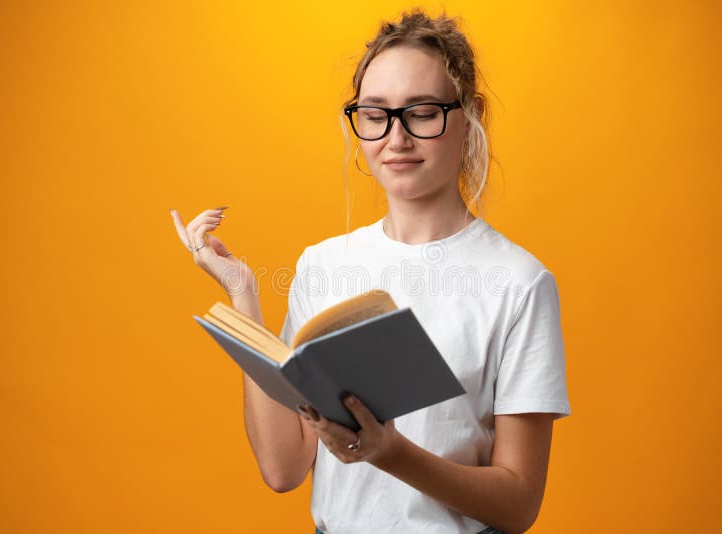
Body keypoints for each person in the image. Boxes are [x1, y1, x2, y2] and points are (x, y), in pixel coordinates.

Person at [171, 9, 570, 534]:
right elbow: (283, 467)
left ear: (468, 115)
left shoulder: (520, 283)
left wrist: (389, 452)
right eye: (375, 114)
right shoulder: (325, 263)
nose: (396, 139)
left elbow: (518, 505)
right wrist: (244, 297)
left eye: (423, 112)